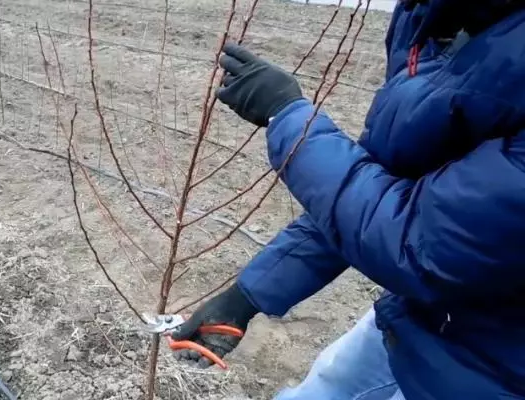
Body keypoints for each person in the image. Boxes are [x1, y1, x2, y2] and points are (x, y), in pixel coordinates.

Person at [172, 1, 525, 399]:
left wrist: (290, 120)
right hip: (424, 316)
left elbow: (417, 241)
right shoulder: (431, 17)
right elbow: (379, 181)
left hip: (494, 372)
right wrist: (246, 296)